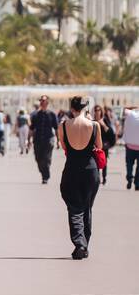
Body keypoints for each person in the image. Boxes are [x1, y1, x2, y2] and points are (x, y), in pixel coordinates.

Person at [57, 97, 101, 259]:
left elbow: (63, 146)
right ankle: (84, 245)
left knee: (74, 208)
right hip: (90, 170)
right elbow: (99, 147)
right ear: (85, 108)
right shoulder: (94, 125)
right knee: (87, 207)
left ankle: (79, 243)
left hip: (71, 169)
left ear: (72, 108)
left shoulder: (63, 125)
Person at [29, 95, 59, 184]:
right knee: (38, 159)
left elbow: (56, 128)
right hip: (37, 140)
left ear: (47, 103)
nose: (42, 102)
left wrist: (58, 141)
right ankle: (44, 173)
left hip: (48, 140)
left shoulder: (52, 114)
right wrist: (28, 141)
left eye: (43, 101)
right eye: (41, 101)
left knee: (46, 158)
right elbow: (31, 128)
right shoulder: (35, 115)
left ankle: (45, 176)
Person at [94, 105, 116, 185]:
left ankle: (104, 178)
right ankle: (97, 178)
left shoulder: (105, 120)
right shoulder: (92, 121)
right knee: (95, 162)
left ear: (101, 111)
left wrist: (103, 124)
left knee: (104, 162)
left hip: (104, 145)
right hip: (95, 145)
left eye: (99, 110)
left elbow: (110, 132)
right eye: (96, 110)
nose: (97, 111)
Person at [123, 106, 139, 190]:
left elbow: (125, 108)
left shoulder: (129, 113)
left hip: (129, 145)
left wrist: (133, 106)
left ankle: (130, 178)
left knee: (129, 164)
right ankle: (137, 184)